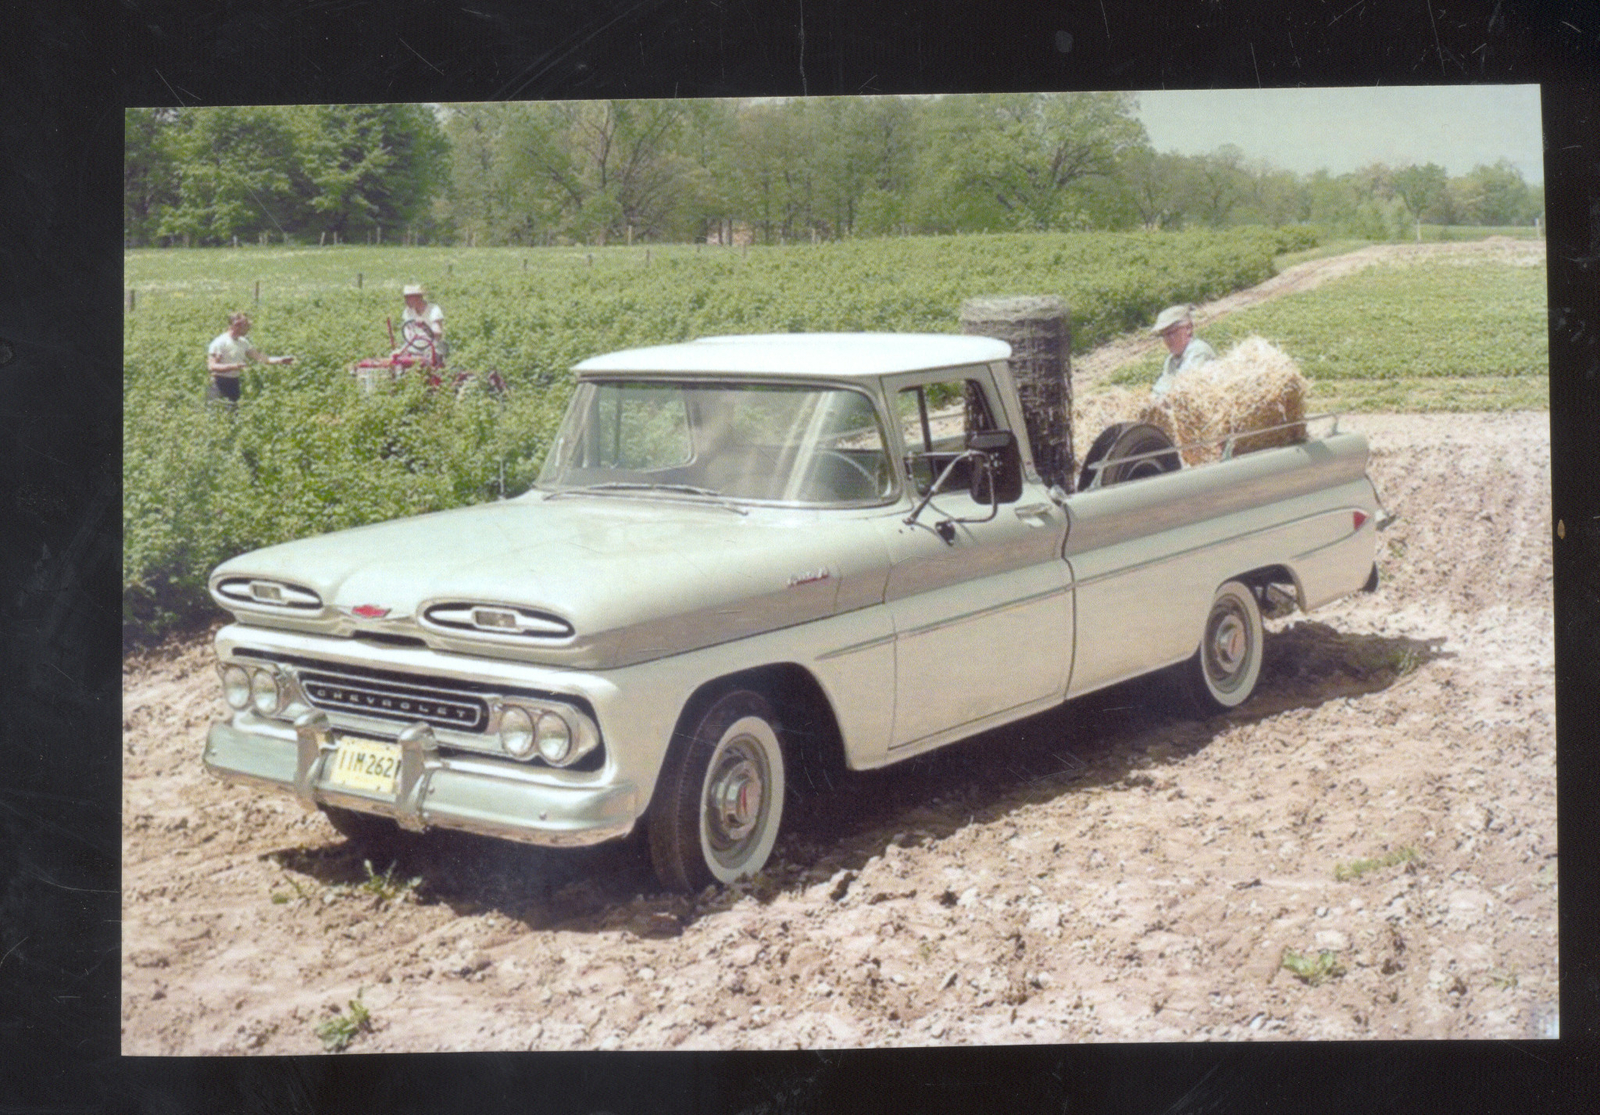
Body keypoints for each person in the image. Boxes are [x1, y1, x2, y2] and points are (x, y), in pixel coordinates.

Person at [206, 312, 293, 404]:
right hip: (218, 385)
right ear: (237, 325)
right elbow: (212, 366)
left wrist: (280, 360)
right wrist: (234, 366)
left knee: (234, 414)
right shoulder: (220, 342)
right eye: (246, 325)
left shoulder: (243, 342)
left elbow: (259, 357)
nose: (249, 328)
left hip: (234, 383)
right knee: (217, 413)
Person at [1149, 304, 1216, 398]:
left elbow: (1183, 387)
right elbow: (1158, 390)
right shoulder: (1171, 361)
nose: (1167, 340)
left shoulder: (1199, 351)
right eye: (1163, 335)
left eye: (1171, 333)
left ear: (1188, 328)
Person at [396, 283, 446, 365]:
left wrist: (424, 326)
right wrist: (404, 349)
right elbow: (407, 333)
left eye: (409, 298)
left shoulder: (433, 310)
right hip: (414, 346)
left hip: (432, 346)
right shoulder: (408, 311)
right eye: (406, 297)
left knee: (429, 361)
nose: (406, 301)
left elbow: (438, 333)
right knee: (397, 359)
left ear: (418, 297)